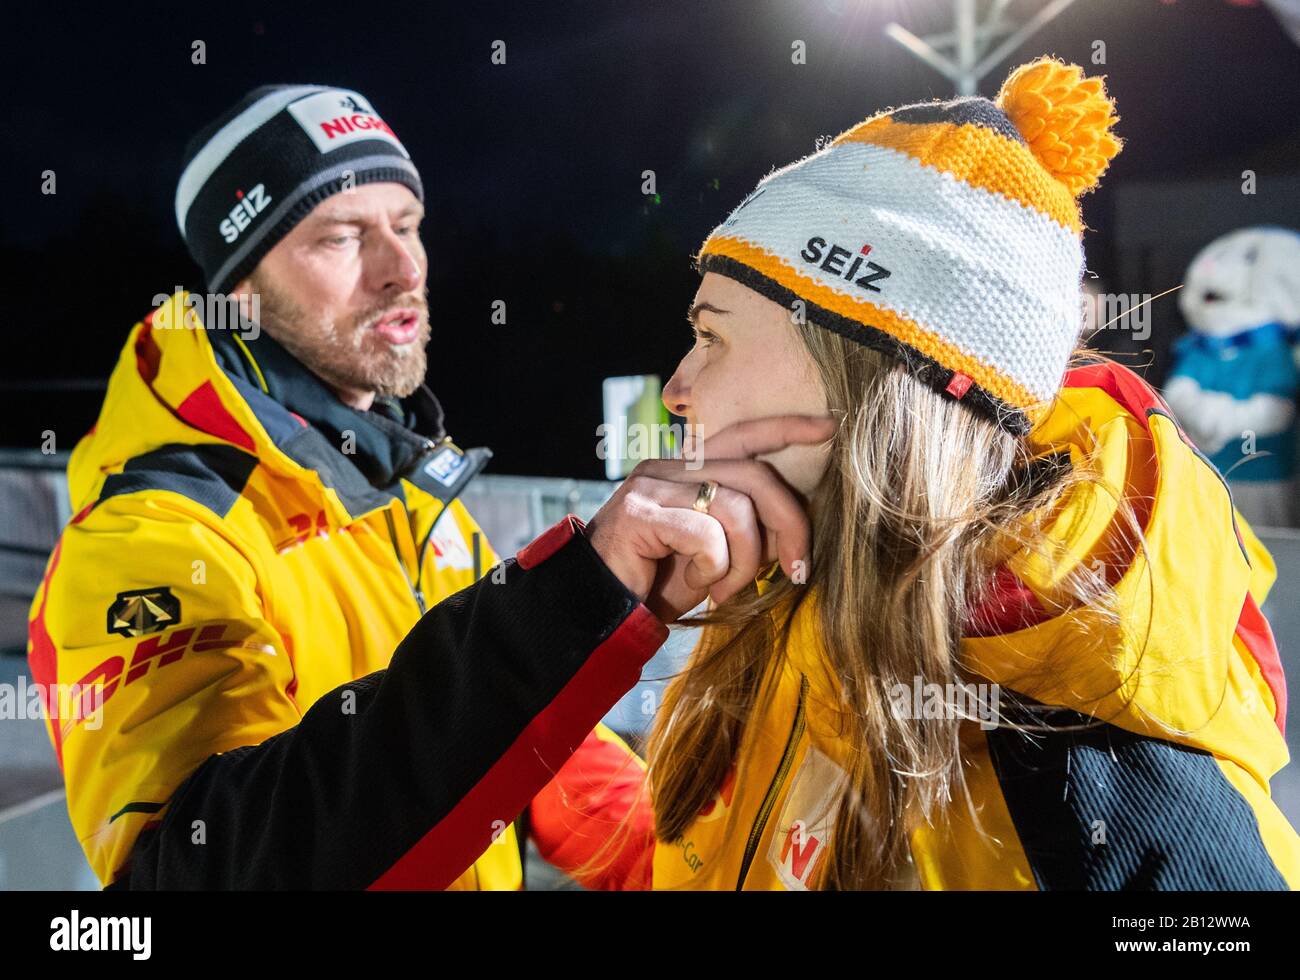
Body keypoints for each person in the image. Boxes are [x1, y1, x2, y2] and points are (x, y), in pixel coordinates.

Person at [25, 80, 836, 889]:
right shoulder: (150, 537)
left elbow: (552, 763)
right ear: (242, 293)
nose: (403, 266)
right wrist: (576, 594)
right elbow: (199, 873)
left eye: (407, 225)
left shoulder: (410, 495)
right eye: (342, 237)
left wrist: (726, 868)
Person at [530, 57, 1300, 890]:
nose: (678, 389)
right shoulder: (789, 621)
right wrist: (532, 705)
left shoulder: (1119, 805)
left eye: (711, 335)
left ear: (860, 374)